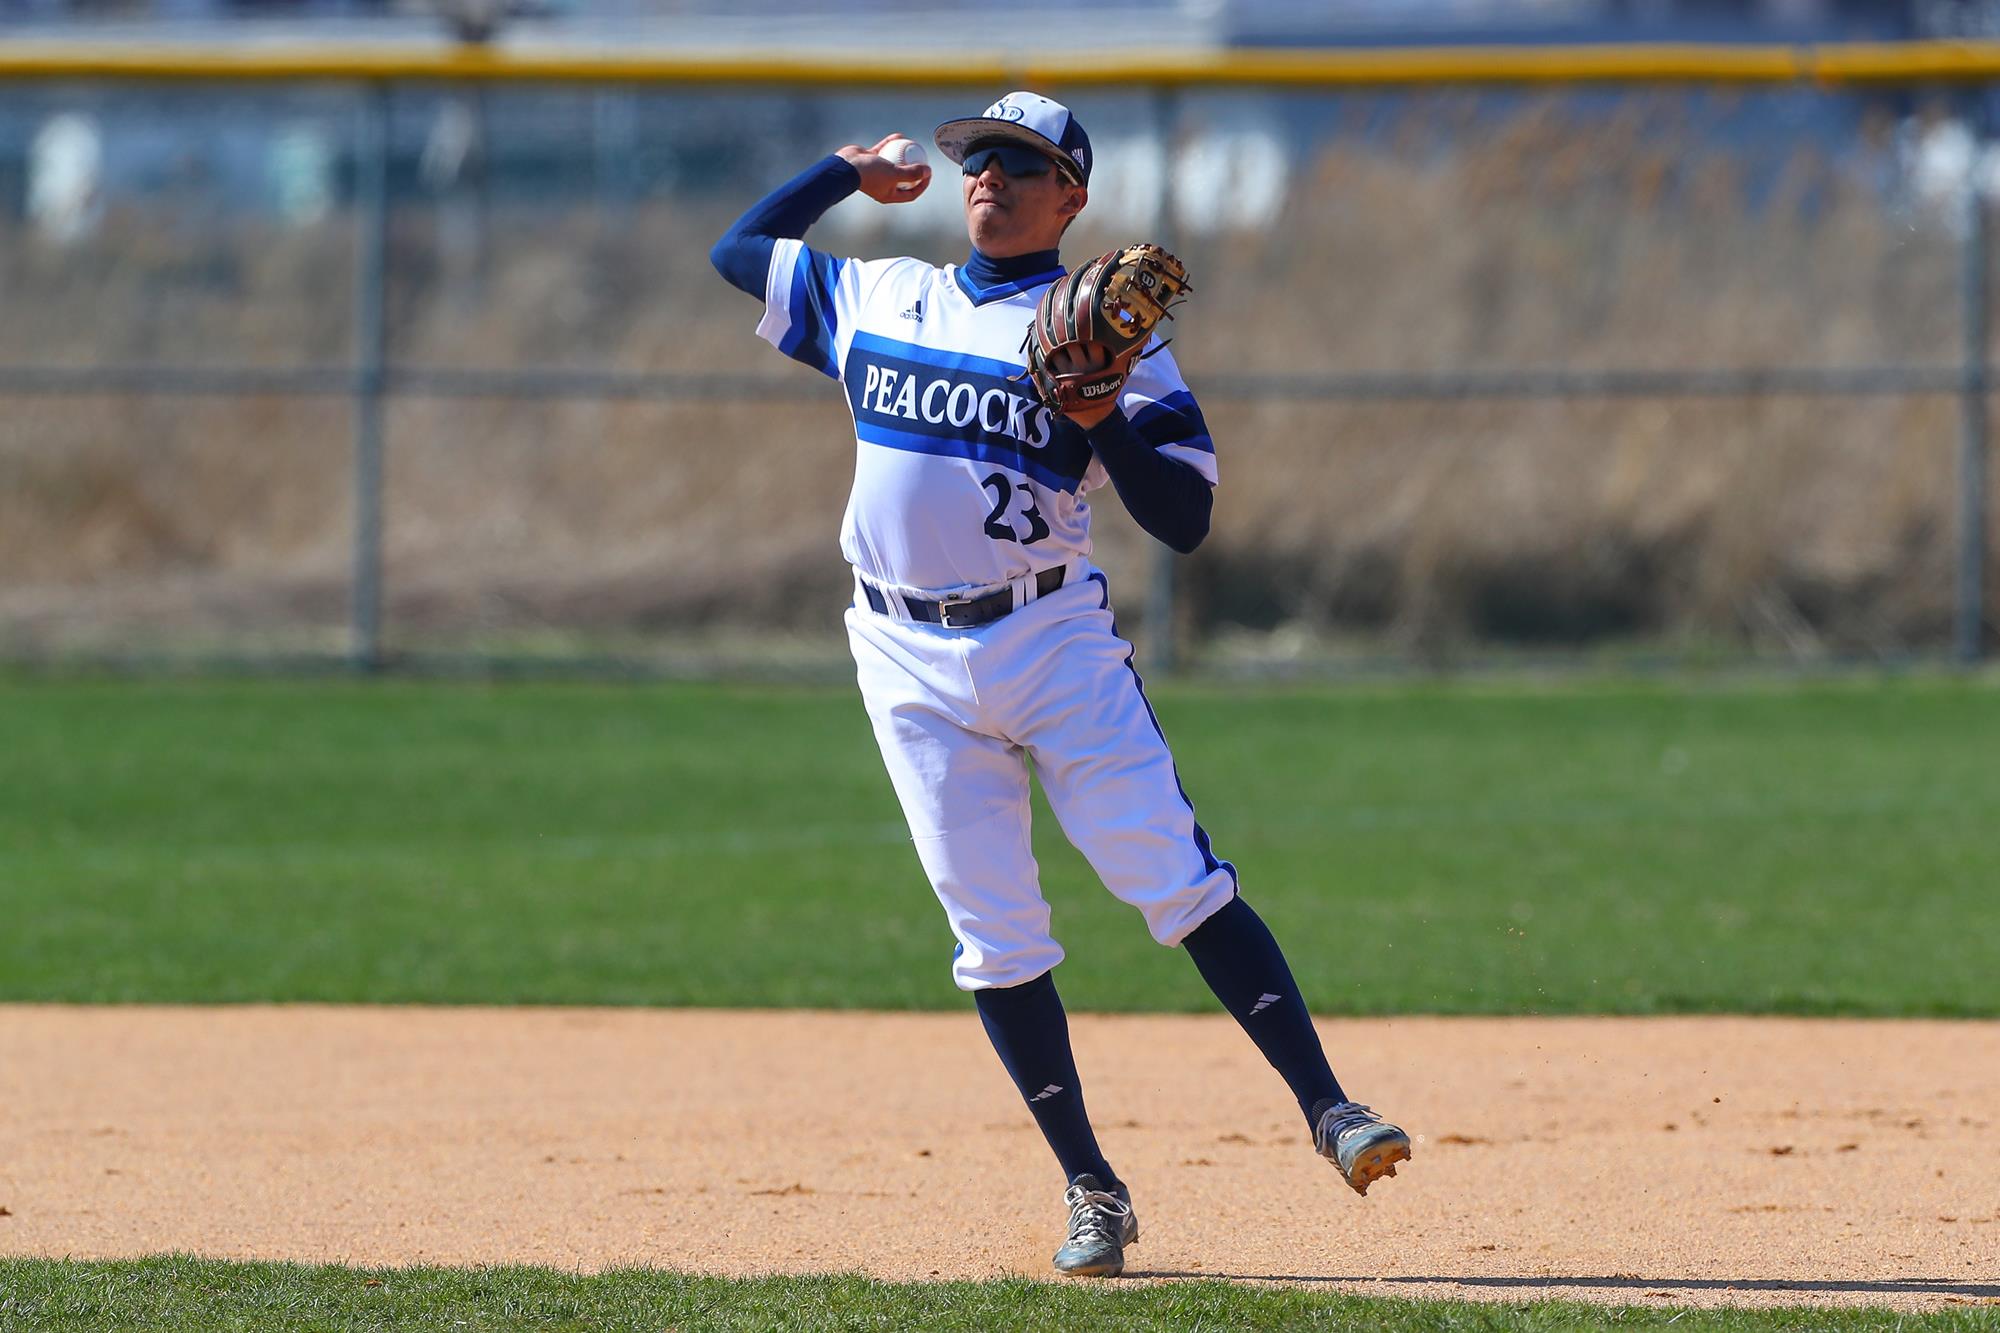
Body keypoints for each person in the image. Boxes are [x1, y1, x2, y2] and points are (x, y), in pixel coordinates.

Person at [710, 91, 1410, 1279]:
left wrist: (1104, 418)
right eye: (979, 157)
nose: (987, 175)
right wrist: (844, 172)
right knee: (992, 934)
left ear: (1069, 199)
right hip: (898, 652)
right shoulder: (883, 295)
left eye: (1018, 164)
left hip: (1050, 642)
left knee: (1173, 880)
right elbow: (736, 253)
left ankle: (1329, 1109)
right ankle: (1090, 1185)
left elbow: (1182, 517)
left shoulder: (1107, 333)